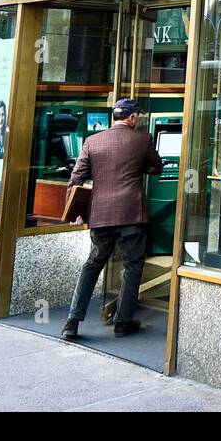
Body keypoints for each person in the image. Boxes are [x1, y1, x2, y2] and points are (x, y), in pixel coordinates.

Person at [62, 99, 163, 340]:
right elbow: (156, 167)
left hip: (101, 214)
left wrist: (74, 212)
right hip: (130, 215)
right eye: (135, 116)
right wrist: (139, 170)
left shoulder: (92, 142)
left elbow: (76, 180)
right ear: (131, 118)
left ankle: (72, 322)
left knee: (92, 264)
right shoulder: (142, 139)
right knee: (132, 266)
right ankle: (123, 322)